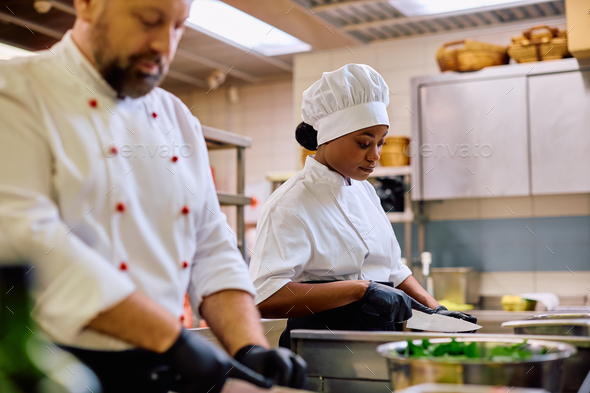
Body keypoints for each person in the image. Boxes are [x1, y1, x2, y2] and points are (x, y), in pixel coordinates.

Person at [0, 0, 306, 392]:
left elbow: (212, 247)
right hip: (53, 373)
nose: (164, 44)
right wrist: (173, 340)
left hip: (159, 373)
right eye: (149, 20)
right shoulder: (16, 90)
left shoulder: (178, 119)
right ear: (88, 5)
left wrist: (248, 348)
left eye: (179, 27)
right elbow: (32, 243)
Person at [248, 64, 476, 349]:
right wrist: (360, 291)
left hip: (383, 344)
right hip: (323, 351)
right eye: (364, 143)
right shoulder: (290, 203)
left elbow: (394, 270)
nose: (375, 156)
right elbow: (265, 297)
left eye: (380, 143)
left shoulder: (366, 192)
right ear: (327, 137)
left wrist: (435, 311)